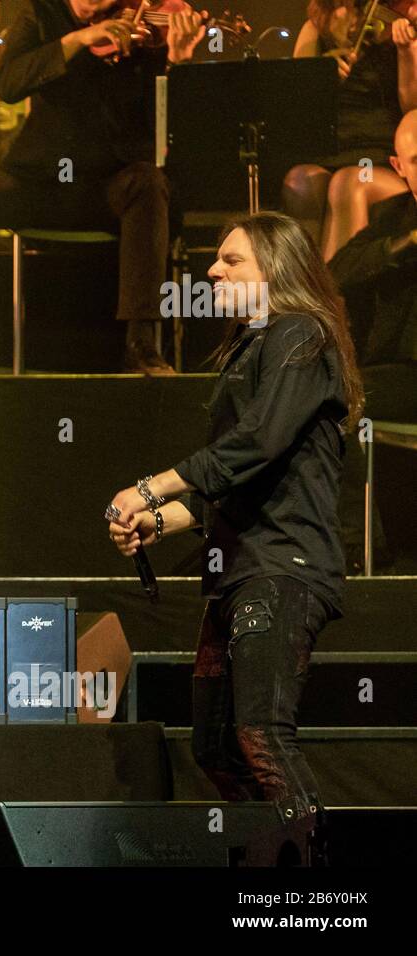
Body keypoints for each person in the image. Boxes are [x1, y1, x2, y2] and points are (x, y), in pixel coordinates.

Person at [105, 211, 364, 823]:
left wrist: (149, 486)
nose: (212, 270)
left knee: (261, 736)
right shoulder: (254, 347)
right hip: (240, 572)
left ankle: (316, 898)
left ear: (275, 268)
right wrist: (159, 520)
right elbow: (232, 478)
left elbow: (260, 441)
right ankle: (265, 872)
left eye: (232, 260)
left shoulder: (301, 333)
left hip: (282, 567)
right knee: (217, 748)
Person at [0, 0, 205, 374]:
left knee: (149, 183)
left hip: (105, 186)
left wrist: (177, 60)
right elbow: (9, 84)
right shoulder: (43, 13)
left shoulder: (142, 27)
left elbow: (170, 122)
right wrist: (79, 38)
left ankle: (142, 344)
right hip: (39, 182)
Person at [282, 0, 417, 261]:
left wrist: (407, 53)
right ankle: (298, 293)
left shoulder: (400, 20)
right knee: (300, 181)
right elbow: (297, 109)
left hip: (383, 161)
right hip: (330, 154)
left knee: (349, 182)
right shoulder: (316, 27)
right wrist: (320, 76)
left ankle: (336, 296)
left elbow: (412, 112)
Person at [329, 108, 417, 364]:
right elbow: (336, 272)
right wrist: (408, 242)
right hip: (397, 365)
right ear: (398, 166)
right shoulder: (393, 215)